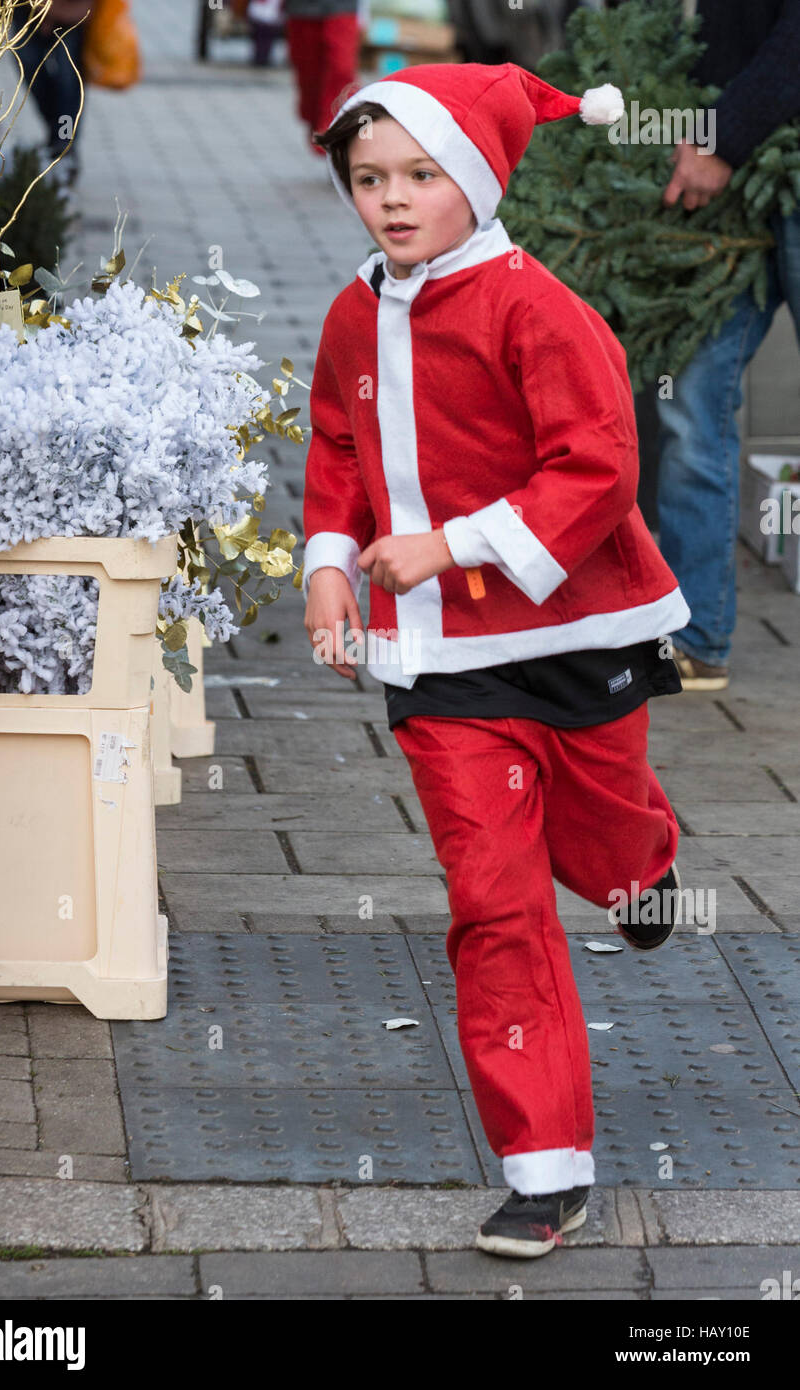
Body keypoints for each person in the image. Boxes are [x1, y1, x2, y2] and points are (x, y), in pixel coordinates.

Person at [301, 61, 690, 1258]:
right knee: (492, 900)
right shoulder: (350, 316)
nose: (394, 201)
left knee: (600, 837)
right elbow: (335, 451)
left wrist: (451, 547)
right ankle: (544, 1167)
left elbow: (597, 466)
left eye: (420, 175)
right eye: (369, 180)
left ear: (471, 175)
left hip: (575, 637)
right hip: (442, 671)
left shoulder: (537, 309)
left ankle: (640, 868)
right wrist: (328, 568)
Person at [654, 0, 800, 690]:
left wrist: (722, 136)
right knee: (692, 397)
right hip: (730, 170)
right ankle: (695, 635)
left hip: (749, 149)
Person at [13, 1, 95, 184]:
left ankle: (64, 144)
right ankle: (58, 133)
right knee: (29, 66)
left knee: (68, 78)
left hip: (75, 7)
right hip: (25, 8)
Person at [284, 0, 361, 157]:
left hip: (342, 8)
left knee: (341, 68)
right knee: (309, 74)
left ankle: (335, 127)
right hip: (302, 10)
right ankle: (318, 123)